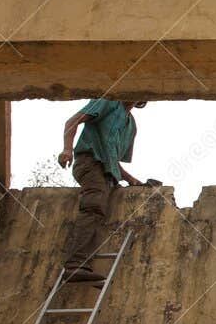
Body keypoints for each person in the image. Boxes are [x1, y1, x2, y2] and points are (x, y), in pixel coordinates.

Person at [58, 98, 159, 282]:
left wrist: (132, 180)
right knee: (93, 205)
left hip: (108, 173)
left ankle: (89, 265)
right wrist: (67, 149)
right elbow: (71, 122)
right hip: (89, 162)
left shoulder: (131, 125)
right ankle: (74, 265)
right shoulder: (108, 103)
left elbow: (111, 157)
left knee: (108, 208)